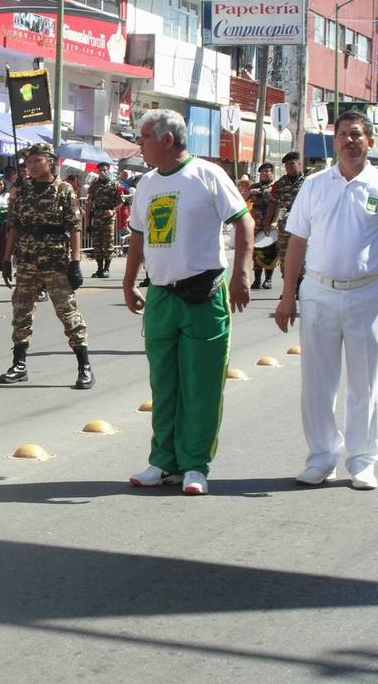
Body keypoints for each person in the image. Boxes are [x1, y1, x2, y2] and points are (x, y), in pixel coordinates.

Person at [275, 111, 378, 491]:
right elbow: (296, 242)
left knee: (365, 385)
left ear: (369, 141)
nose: (348, 141)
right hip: (319, 292)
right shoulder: (315, 185)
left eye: (356, 135)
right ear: (334, 142)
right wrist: (288, 296)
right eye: (342, 136)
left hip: (367, 294)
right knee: (317, 382)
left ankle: (363, 460)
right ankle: (321, 457)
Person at [123, 109, 253, 496]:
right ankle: (163, 461)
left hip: (204, 294)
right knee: (164, 385)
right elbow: (136, 237)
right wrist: (129, 282)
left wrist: (241, 275)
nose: (140, 144)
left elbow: (242, 221)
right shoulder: (146, 183)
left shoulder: (208, 175)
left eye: (144, 136)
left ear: (166, 139)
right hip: (162, 295)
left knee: (202, 385)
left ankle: (195, 464)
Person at [0, 142, 92, 390]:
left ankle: (84, 366)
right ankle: (19, 364)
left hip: (55, 261)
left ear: (50, 161)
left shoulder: (64, 190)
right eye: (28, 163)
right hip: (27, 260)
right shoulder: (23, 191)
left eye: (36, 161)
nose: (30, 166)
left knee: (67, 312)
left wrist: (75, 262)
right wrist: (6, 260)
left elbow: (74, 228)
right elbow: (14, 226)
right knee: (21, 311)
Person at [267, 151, 305, 285]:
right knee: (284, 256)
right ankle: (288, 286)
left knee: (302, 256)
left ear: (299, 164)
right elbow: (273, 203)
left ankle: (300, 284)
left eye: (292, 163)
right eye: (286, 165)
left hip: (302, 226)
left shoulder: (308, 182)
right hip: (284, 226)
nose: (289, 166)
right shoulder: (280, 183)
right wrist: (269, 222)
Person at [85, 161, 123, 278]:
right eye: (101, 170)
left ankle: (107, 268)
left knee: (108, 243)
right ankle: (99, 268)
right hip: (97, 216)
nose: (103, 172)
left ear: (108, 171)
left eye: (105, 170)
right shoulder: (94, 185)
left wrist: (113, 210)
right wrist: (87, 220)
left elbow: (121, 201)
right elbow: (90, 202)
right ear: (98, 171)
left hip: (108, 216)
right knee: (97, 243)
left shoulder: (114, 185)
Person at [246, 162, 278, 289]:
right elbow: (241, 200)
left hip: (270, 223)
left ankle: (268, 279)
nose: (265, 173)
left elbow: (278, 205)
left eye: (268, 171)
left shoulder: (276, 186)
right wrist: (249, 193)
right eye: (263, 171)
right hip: (256, 223)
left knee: (270, 251)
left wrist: (274, 222)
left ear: (272, 173)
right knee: (257, 252)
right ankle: (257, 279)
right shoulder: (254, 186)